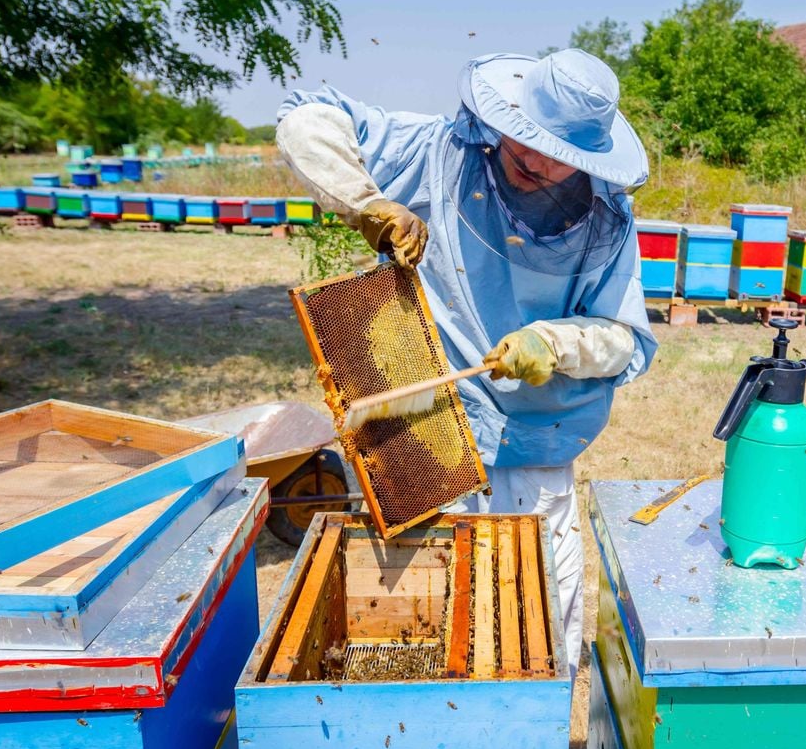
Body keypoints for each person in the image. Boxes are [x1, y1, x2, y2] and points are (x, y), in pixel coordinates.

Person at [276, 49, 657, 678]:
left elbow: (625, 339)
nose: (534, 161)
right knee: (418, 632)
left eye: (557, 154)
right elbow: (307, 118)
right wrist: (366, 203)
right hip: (421, 438)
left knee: (537, 629)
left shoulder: (607, 222)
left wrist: (557, 343)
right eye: (525, 143)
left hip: (533, 449)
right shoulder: (435, 151)